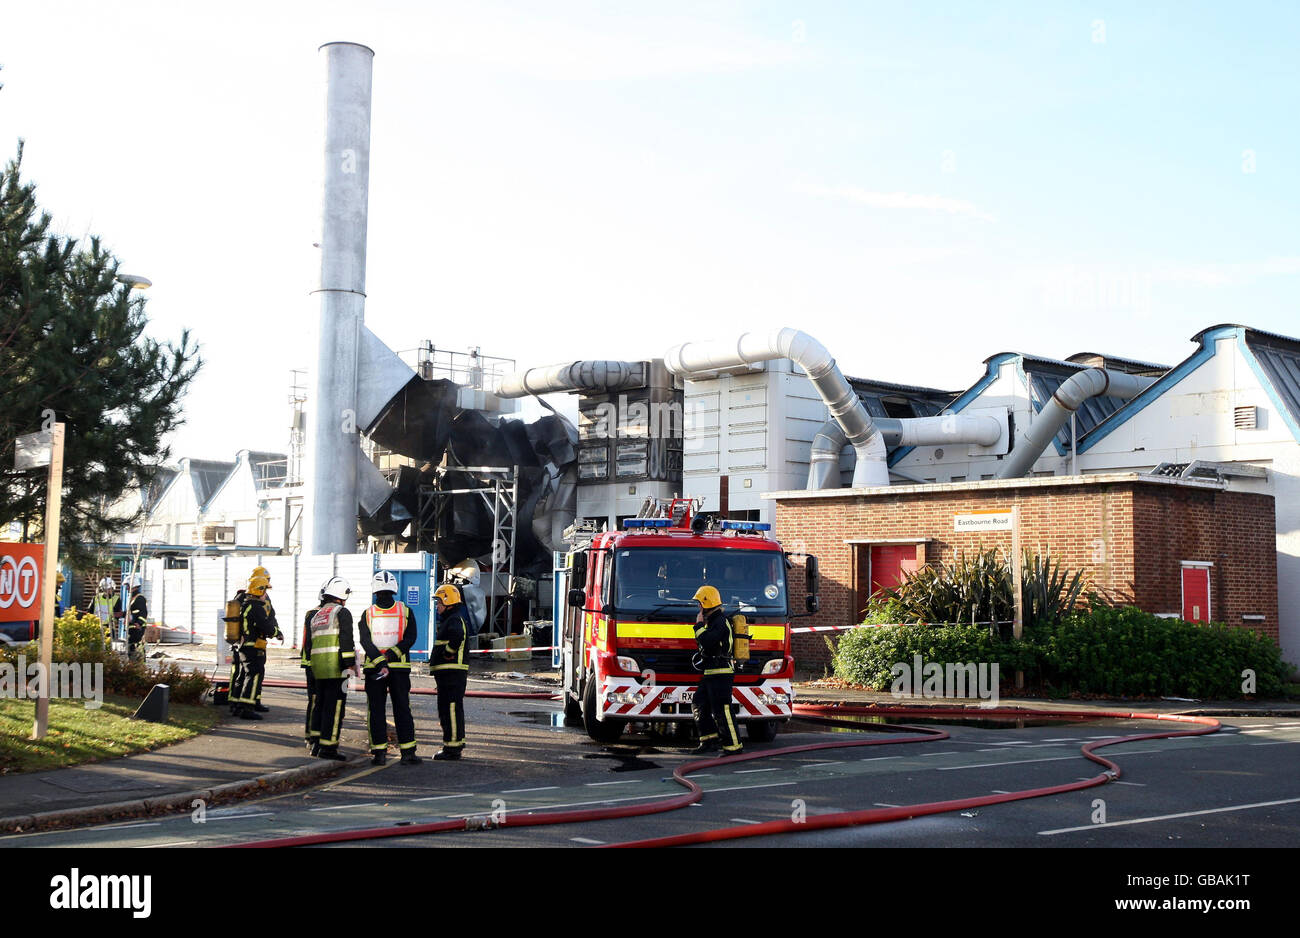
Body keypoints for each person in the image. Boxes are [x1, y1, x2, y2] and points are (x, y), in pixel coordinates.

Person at [358, 571, 421, 766]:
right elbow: (410, 639)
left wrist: (380, 661)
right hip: (399, 669)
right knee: (402, 708)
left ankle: (379, 754)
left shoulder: (367, 613)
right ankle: (408, 753)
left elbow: (365, 642)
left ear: (375, 591)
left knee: (375, 711)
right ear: (394, 589)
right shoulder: (406, 610)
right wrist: (391, 655)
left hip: (375, 669)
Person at [302, 577, 357, 760]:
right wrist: (350, 664)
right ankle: (329, 748)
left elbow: (309, 645)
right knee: (335, 708)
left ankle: (316, 742)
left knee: (320, 705)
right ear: (342, 595)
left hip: (318, 668)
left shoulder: (317, 614)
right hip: (336, 668)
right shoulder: (342, 612)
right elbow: (346, 639)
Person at [690, 585, 742, 756]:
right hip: (710, 672)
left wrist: (698, 626)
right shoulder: (713, 621)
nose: (698, 606)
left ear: (706, 603)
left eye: (699, 603)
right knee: (699, 702)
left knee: (722, 710)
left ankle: (733, 746)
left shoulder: (720, 621)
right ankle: (708, 740)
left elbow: (709, 641)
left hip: (721, 672)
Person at [430, 583, 470, 760]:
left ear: (448, 602)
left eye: (439, 603)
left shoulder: (453, 620)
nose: (437, 607)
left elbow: (456, 637)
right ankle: (455, 743)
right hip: (449, 673)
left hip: (451, 673)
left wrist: (447, 653)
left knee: (450, 709)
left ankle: (452, 749)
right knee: (450, 709)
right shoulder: (452, 618)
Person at [230, 575, 277, 719]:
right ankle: (246, 708)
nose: (266, 595)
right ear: (259, 591)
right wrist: (277, 632)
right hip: (253, 647)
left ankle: (238, 706)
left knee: (246, 675)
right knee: (253, 676)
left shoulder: (246, 604)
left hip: (245, 646)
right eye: (264, 591)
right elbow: (266, 626)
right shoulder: (256, 607)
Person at [113, 575, 149, 661]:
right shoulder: (132, 598)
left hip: (137, 629)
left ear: (133, 585)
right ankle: (134, 665)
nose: (127, 589)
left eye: (127, 586)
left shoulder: (140, 598)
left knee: (135, 647)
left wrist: (139, 623)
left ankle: (139, 666)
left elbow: (143, 613)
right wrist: (122, 614)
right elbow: (132, 613)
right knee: (131, 648)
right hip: (131, 628)